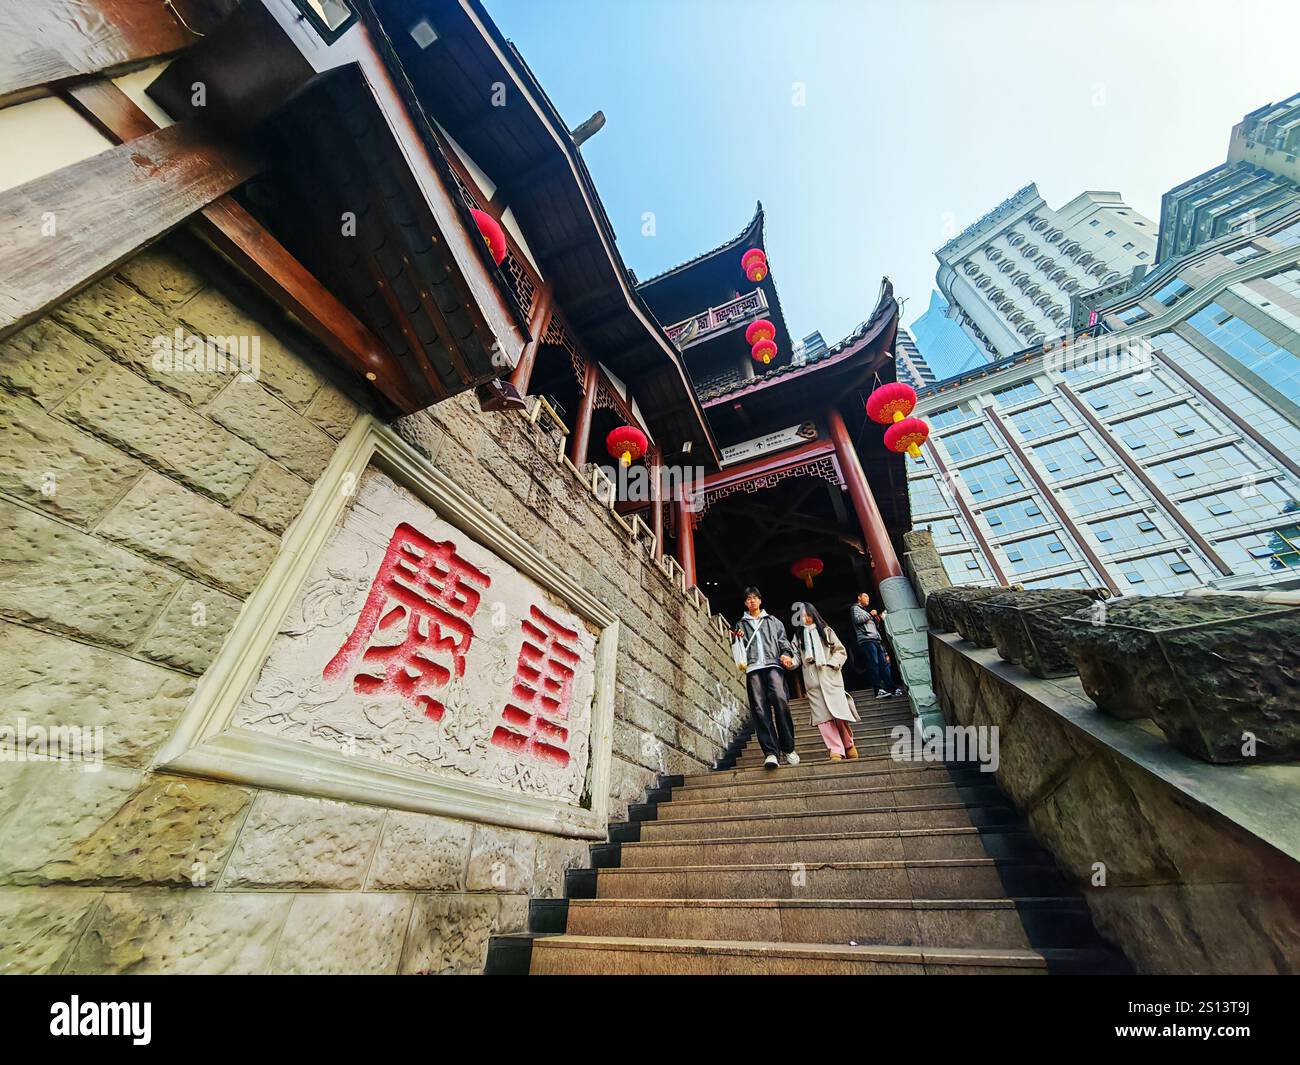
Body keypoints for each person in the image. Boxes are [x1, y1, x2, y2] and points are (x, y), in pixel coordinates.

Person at [732, 587, 800, 769]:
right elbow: (739, 648)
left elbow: (784, 642)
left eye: (755, 598)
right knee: (760, 710)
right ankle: (770, 753)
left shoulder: (774, 622)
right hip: (753, 668)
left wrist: (786, 654)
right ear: (745, 603)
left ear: (760, 600)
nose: (752, 601)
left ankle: (788, 748)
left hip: (773, 665)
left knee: (780, 700)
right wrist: (737, 638)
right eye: (748, 599)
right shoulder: (740, 625)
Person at [790, 601, 860, 761]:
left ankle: (848, 744)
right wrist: (790, 662)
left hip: (831, 679)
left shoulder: (826, 631)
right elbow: (796, 658)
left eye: (807, 614)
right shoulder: (798, 637)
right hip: (813, 683)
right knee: (823, 719)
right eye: (801, 616)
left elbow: (840, 651)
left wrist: (831, 664)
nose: (805, 618)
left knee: (839, 715)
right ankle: (835, 749)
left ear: (813, 614)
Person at [850, 591, 891, 698]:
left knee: (883, 664)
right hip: (867, 640)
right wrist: (870, 615)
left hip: (876, 640)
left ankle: (892, 688)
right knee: (874, 664)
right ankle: (878, 690)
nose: (868, 598)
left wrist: (878, 619)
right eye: (865, 596)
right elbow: (857, 620)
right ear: (859, 598)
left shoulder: (865, 611)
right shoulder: (855, 608)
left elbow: (874, 627)